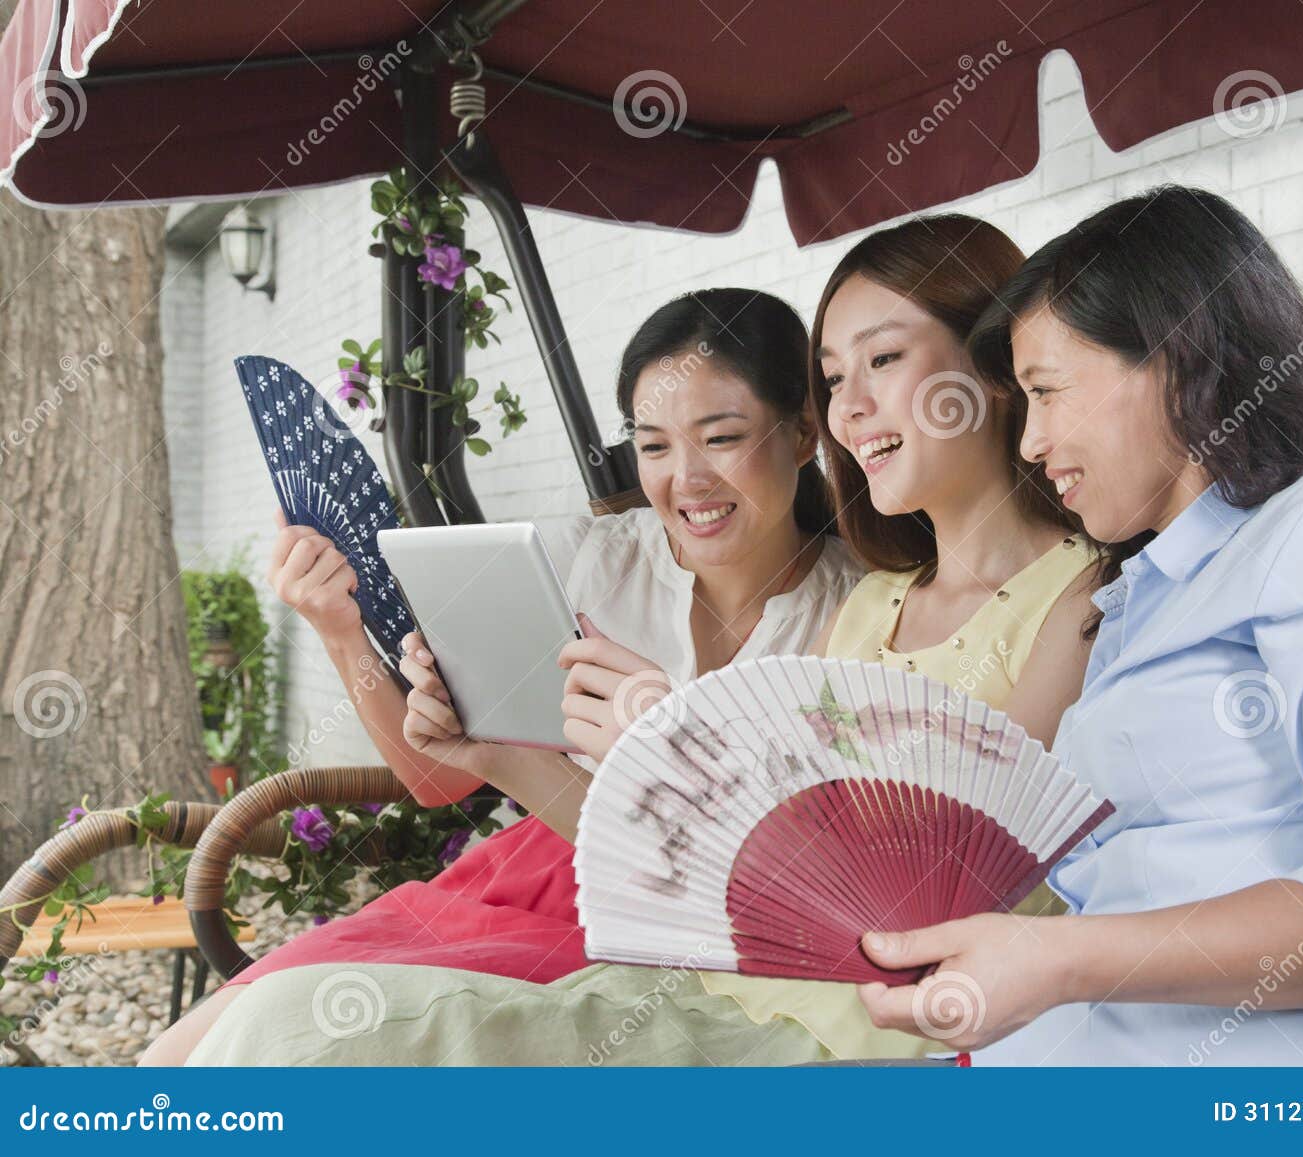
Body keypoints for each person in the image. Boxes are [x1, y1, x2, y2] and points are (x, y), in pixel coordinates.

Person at [180, 214, 1107, 1066]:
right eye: (834, 378)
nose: (850, 409)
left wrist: (674, 750)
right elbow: (700, 867)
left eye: (884, 360)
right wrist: (496, 750)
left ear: (997, 365)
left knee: (301, 1042)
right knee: (274, 1025)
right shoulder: (876, 604)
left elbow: (917, 896)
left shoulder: (1069, 597)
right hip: (694, 963)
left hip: (816, 1028)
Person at [852, 185, 1303, 1066]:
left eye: (1048, 392)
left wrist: (1059, 960)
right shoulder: (1144, 590)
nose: (1031, 443)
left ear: (1174, 360)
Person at [141, 287, 863, 1065]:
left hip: (687, 928)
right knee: (178, 1057)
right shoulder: (586, 561)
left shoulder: (861, 612)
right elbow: (436, 778)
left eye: (720, 437)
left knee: (322, 1049)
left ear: (801, 434)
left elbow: (806, 881)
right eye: (653, 447)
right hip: (532, 871)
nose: (685, 479)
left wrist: (659, 747)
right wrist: (339, 625)